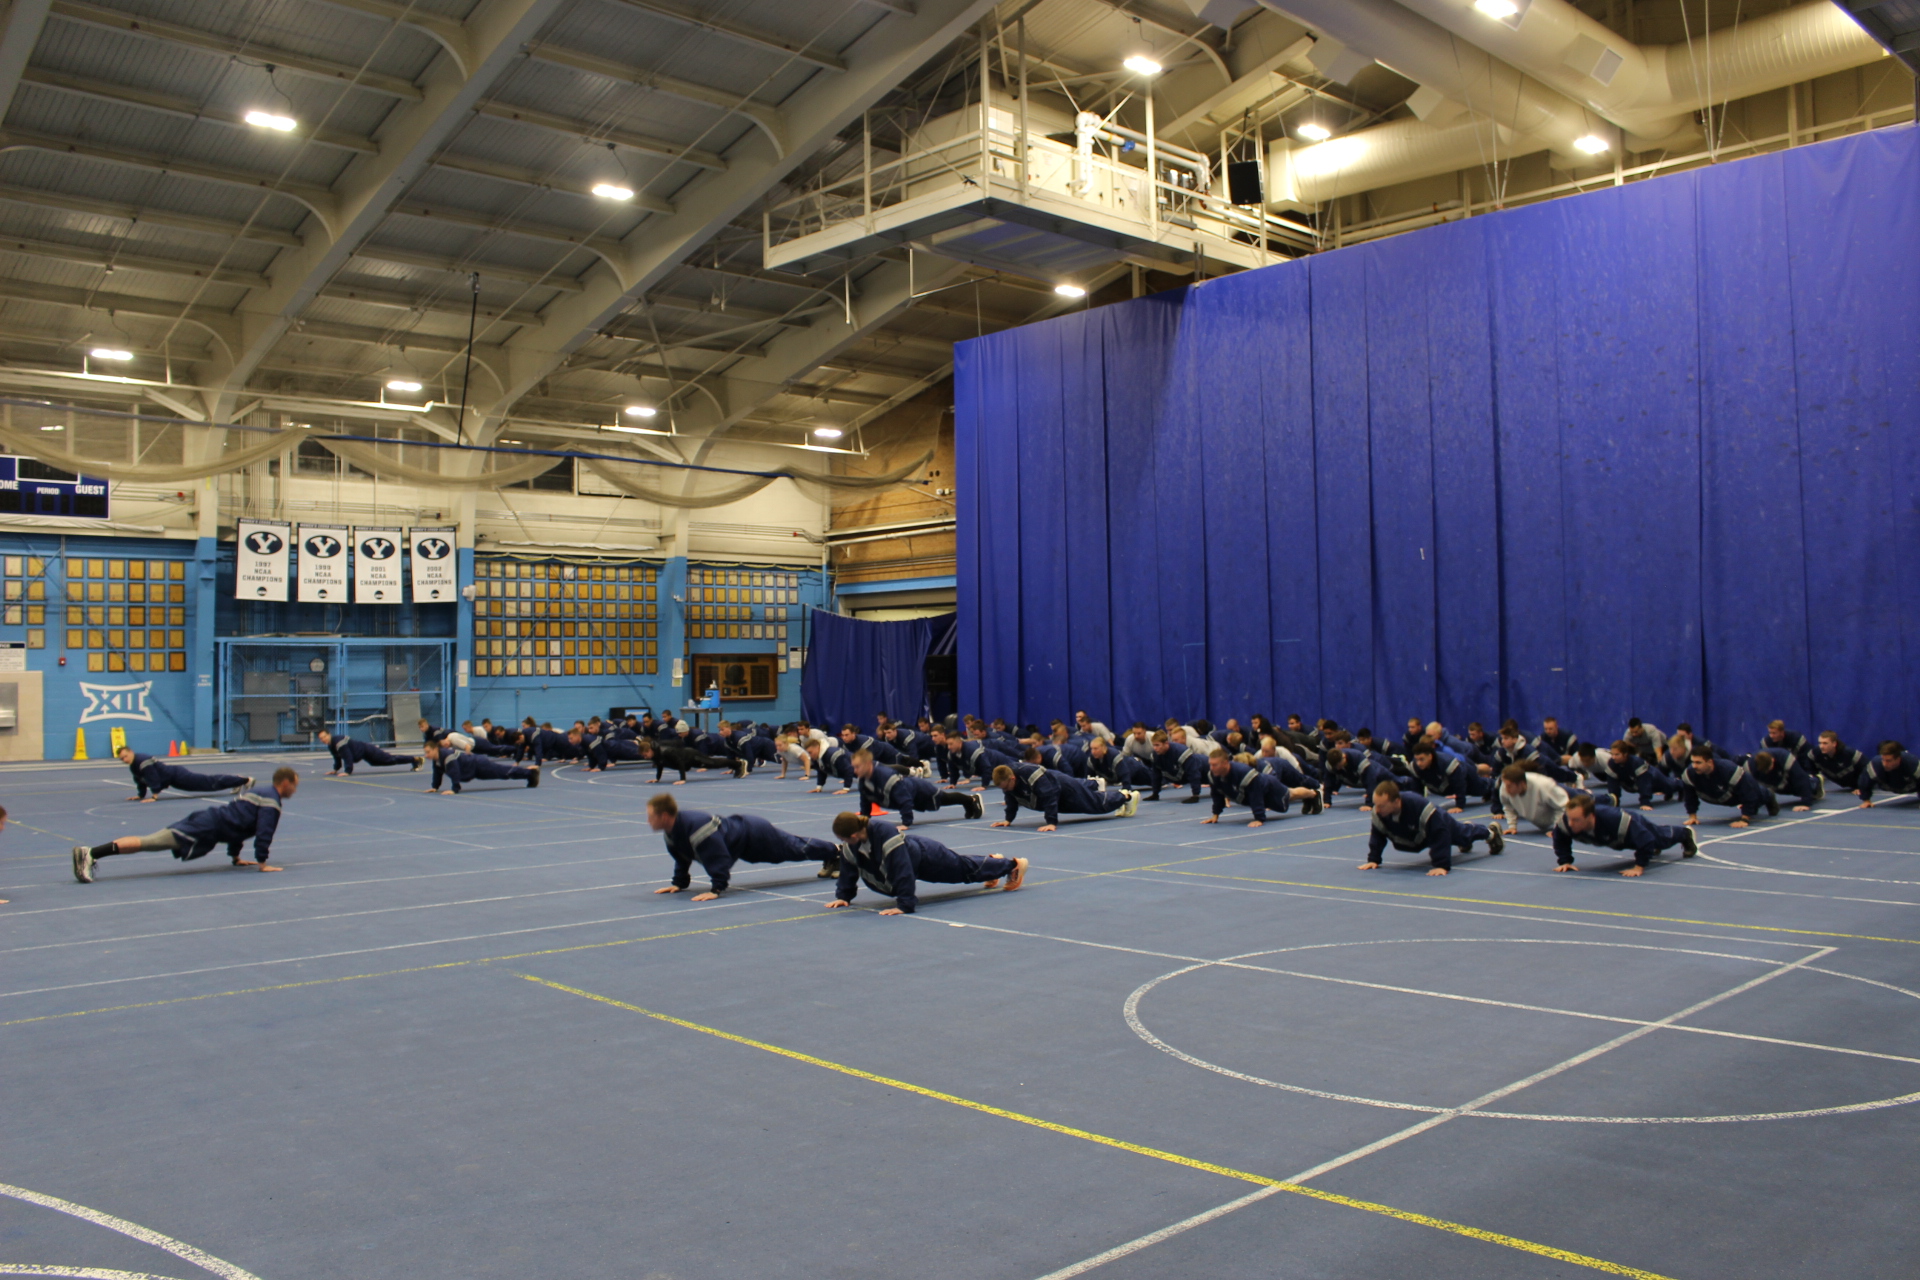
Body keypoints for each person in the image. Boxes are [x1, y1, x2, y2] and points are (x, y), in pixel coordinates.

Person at [73, 768, 298, 883]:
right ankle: (90, 853)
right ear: (285, 783)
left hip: (206, 819)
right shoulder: (271, 800)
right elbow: (263, 831)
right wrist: (262, 863)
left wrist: (235, 857)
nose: (294, 791)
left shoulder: (259, 792)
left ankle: (91, 854)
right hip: (205, 827)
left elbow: (239, 824)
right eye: (294, 786)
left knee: (151, 841)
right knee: (149, 842)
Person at [647, 793, 840, 899]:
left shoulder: (698, 827)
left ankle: (837, 852)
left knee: (795, 849)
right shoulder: (671, 833)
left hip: (753, 832)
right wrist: (678, 883)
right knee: (793, 850)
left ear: (664, 816)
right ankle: (831, 856)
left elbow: (718, 857)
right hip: (742, 843)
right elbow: (682, 856)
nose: (648, 821)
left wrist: (716, 889)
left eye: (651, 816)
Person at [827, 812, 1027, 914]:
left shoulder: (884, 834)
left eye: (844, 839)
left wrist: (905, 905)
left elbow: (902, 869)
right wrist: (844, 896)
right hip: (916, 861)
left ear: (853, 834)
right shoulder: (852, 845)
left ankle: (1013, 865)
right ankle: (992, 863)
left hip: (927, 855)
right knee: (964, 869)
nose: (843, 844)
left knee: (964, 872)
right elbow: (848, 868)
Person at [1358, 779, 1503, 876]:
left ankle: (1491, 833)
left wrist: (1441, 865)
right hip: (1419, 836)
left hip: (1439, 825)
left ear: (1396, 801)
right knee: (1460, 839)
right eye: (1375, 804)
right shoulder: (1378, 813)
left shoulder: (1419, 807)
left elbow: (1440, 833)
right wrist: (1374, 859)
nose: (1377, 809)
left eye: (1382, 805)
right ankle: (1465, 838)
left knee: (1463, 835)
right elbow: (1377, 835)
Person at [1551, 792, 1697, 876]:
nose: (1570, 824)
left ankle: (1685, 833)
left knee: (1659, 839)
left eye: (1576, 820)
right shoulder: (1566, 822)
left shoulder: (1617, 820)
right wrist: (1565, 861)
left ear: (1591, 816)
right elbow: (1560, 838)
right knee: (1646, 843)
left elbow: (1646, 839)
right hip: (1614, 838)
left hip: (1629, 829)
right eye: (1569, 818)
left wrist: (1639, 866)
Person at [989, 759, 1136, 831]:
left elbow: (1049, 796)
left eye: (1006, 786)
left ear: (1012, 778)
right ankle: (1095, 785)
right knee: (1090, 800)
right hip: (1056, 791)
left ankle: (1126, 796)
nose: (1006, 790)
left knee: (1096, 805)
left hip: (1064, 788)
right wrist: (1008, 819)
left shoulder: (1030, 774)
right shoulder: (1008, 781)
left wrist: (1051, 822)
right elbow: (1011, 797)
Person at [854, 750, 984, 825]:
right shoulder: (863, 779)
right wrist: (864, 820)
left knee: (944, 799)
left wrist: (906, 823)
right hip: (910, 793)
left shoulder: (887, 777)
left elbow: (904, 799)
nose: (855, 770)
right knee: (944, 800)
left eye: (857, 767)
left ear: (867, 764)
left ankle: (971, 800)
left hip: (919, 790)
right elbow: (865, 799)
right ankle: (968, 801)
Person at [1203, 750, 1319, 826]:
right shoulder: (1213, 775)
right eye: (1210, 764)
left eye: (1215, 765)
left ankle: (1314, 794)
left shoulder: (1242, 772)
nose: (1212, 768)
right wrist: (1215, 815)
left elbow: (1255, 794)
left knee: (1290, 794)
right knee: (1290, 794)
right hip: (1257, 790)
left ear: (1225, 763)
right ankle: (1311, 795)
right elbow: (1217, 794)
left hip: (1270, 786)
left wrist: (1259, 818)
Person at [1682, 746, 1772, 828]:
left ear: (1709, 762)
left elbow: (1748, 792)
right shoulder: (1689, 774)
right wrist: (1692, 816)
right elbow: (1690, 796)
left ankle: (1769, 795)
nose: (1694, 766)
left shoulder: (1729, 770)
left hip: (1736, 794)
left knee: (1757, 795)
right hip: (1716, 793)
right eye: (1692, 762)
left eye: (1698, 762)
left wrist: (1745, 819)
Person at [117, 745, 252, 800]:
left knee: (209, 783)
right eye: (121, 759)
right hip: (174, 780)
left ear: (131, 752)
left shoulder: (142, 761)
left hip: (178, 775)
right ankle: (236, 781)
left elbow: (153, 778)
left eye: (125, 756)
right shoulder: (134, 766)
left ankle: (244, 780)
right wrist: (141, 795)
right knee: (207, 785)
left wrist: (154, 796)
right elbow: (141, 781)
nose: (124, 760)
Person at [1576, 741, 1680, 809]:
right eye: (1612, 754)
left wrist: (1645, 802)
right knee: (1667, 789)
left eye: (1617, 754)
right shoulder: (1612, 764)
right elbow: (1613, 784)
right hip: (1633, 783)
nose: (1613, 757)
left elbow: (1645, 783)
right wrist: (1614, 801)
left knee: (1670, 786)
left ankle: (1683, 783)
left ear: (1625, 754)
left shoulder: (1636, 763)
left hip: (1653, 778)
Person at [1405, 738, 1497, 812]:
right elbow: (1417, 788)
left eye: (1422, 759)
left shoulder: (1446, 763)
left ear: (1430, 756)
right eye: (1417, 759)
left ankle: (1498, 784)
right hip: (1446, 783)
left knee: (1480, 788)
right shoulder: (1415, 767)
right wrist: (1419, 806)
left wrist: (1459, 805)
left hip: (1465, 773)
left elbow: (1460, 782)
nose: (1419, 763)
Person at [424, 743, 540, 794]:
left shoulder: (447, 757)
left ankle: (531, 773)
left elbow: (455, 772)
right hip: (473, 770)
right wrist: (435, 787)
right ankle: (529, 774)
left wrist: (454, 789)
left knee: (503, 772)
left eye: (428, 752)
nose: (426, 755)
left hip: (478, 764)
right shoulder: (437, 760)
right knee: (503, 774)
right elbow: (437, 773)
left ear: (435, 749)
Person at [1497, 762, 1578, 834]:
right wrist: (1512, 826)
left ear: (1521, 784)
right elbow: (1507, 805)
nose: (1506, 789)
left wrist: (1558, 829)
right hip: (1547, 809)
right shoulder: (1506, 786)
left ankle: (1579, 778)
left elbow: (1563, 806)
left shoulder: (1543, 785)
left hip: (1570, 796)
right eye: (1505, 785)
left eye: (1509, 786)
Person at [1747, 744, 1823, 811]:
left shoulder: (1784, 757)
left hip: (1788, 777)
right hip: (1774, 782)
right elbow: (1750, 785)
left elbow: (1800, 778)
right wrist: (1749, 801)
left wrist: (1806, 803)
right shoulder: (1750, 765)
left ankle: (1815, 781)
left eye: (1768, 769)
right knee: (1770, 788)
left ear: (1773, 760)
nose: (1767, 772)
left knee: (1801, 788)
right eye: (1764, 770)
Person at [644, 737, 749, 784]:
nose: (645, 757)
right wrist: (657, 778)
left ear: (650, 750)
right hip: (688, 761)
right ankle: (736, 765)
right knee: (713, 764)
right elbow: (660, 765)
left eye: (645, 754)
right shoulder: (655, 755)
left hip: (692, 756)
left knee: (713, 763)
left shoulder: (665, 751)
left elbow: (679, 761)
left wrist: (683, 779)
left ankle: (738, 763)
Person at [317, 730, 421, 776]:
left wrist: (347, 771)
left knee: (389, 759)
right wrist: (335, 770)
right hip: (363, 754)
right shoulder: (331, 746)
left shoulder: (339, 742)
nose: (323, 739)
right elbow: (337, 758)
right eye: (321, 739)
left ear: (329, 735)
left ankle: (415, 759)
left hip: (367, 750)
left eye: (324, 737)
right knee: (378, 763)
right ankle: (413, 760)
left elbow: (347, 756)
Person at [1149, 730, 1208, 803]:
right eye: (1154, 745)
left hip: (1206, 767)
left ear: (1166, 743)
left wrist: (1195, 795)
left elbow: (1193, 773)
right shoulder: (1155, 755)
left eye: (1157, 745)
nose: (1155, 748)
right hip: (1191, 772)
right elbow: (1156, 775)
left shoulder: (1181, 752)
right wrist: (1155, 793)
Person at [1858, 741, 1920, 807]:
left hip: (1913, 786)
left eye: (1888, 761)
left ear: (1898, 759)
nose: (1885, 764)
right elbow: (1864, 782)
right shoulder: (1875, 765)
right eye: (1883, 760)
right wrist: (1866, 800)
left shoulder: (1913, 764)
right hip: (1889, 784)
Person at [1086, 736, 1154, 791]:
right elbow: (1089, 777)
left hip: (1136, 769)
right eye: (1091, 748)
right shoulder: (1091, 759)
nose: (1093, 751)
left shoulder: (1114, 756)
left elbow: (1125, 773)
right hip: (1128, 777)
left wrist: (1126, 789)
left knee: (1157, 781)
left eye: (1096, 749)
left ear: (1103, 748)